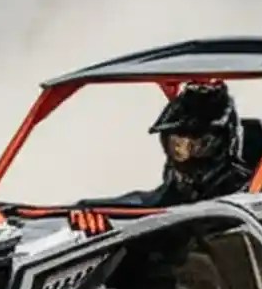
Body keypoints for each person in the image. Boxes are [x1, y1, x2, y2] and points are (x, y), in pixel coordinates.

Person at [72, 81, 250, 221]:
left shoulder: (246, 193)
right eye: (176, 143)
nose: (182, 152)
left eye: (195, 145)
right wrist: (90, 210)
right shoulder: (178, 187)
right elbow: (147, 203)